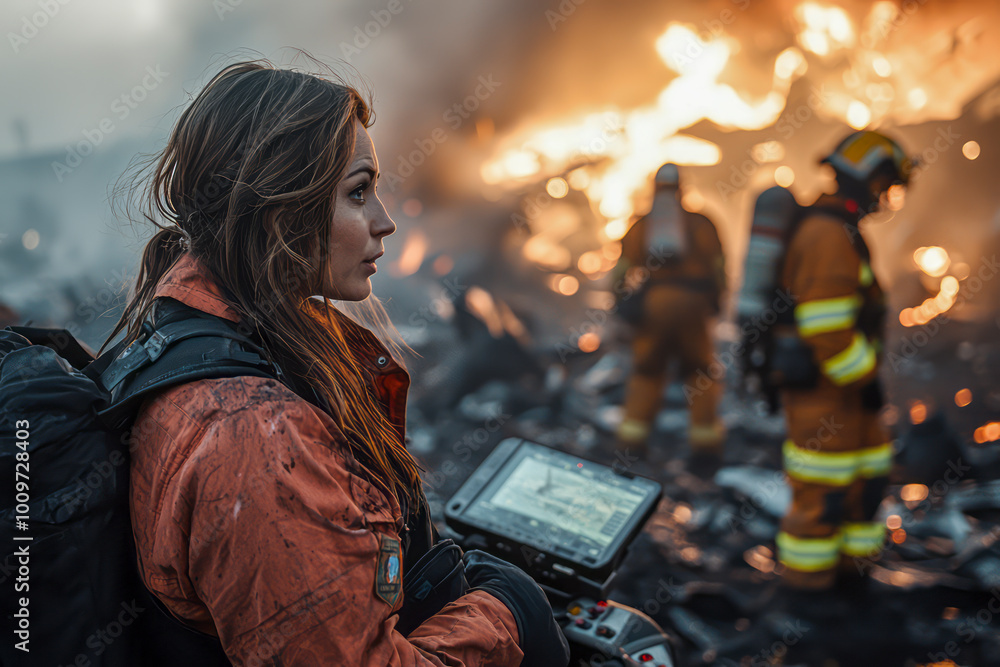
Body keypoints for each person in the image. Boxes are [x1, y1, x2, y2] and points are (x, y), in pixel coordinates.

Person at [105, 60, 569, 666]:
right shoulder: (259, 440)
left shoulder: (185, 333)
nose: (386, 220)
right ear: (280, 211)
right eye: (357, 192)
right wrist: (503, 613)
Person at [775, 130, 911, 592]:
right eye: (884, 182)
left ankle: (854, 578)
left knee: (866, 487)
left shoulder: (843, 229)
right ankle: (807, 601)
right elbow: (826, 330)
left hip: (849, 396)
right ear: (867, 178)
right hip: (826, 394)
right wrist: (865, 378)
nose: (885, 195)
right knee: (822, 501)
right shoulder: (828, 235)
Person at [612, 163, 727, 464]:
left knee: (647, 371)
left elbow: (620, 273)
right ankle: (705, 450)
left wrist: (620, 303)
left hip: (655, 304)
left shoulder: (640, 226)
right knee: (700, 373)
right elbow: (718, 268)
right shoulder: (702, 224)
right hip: (693, 303)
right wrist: (717, 300)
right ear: (681, 189)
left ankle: (631, 445)